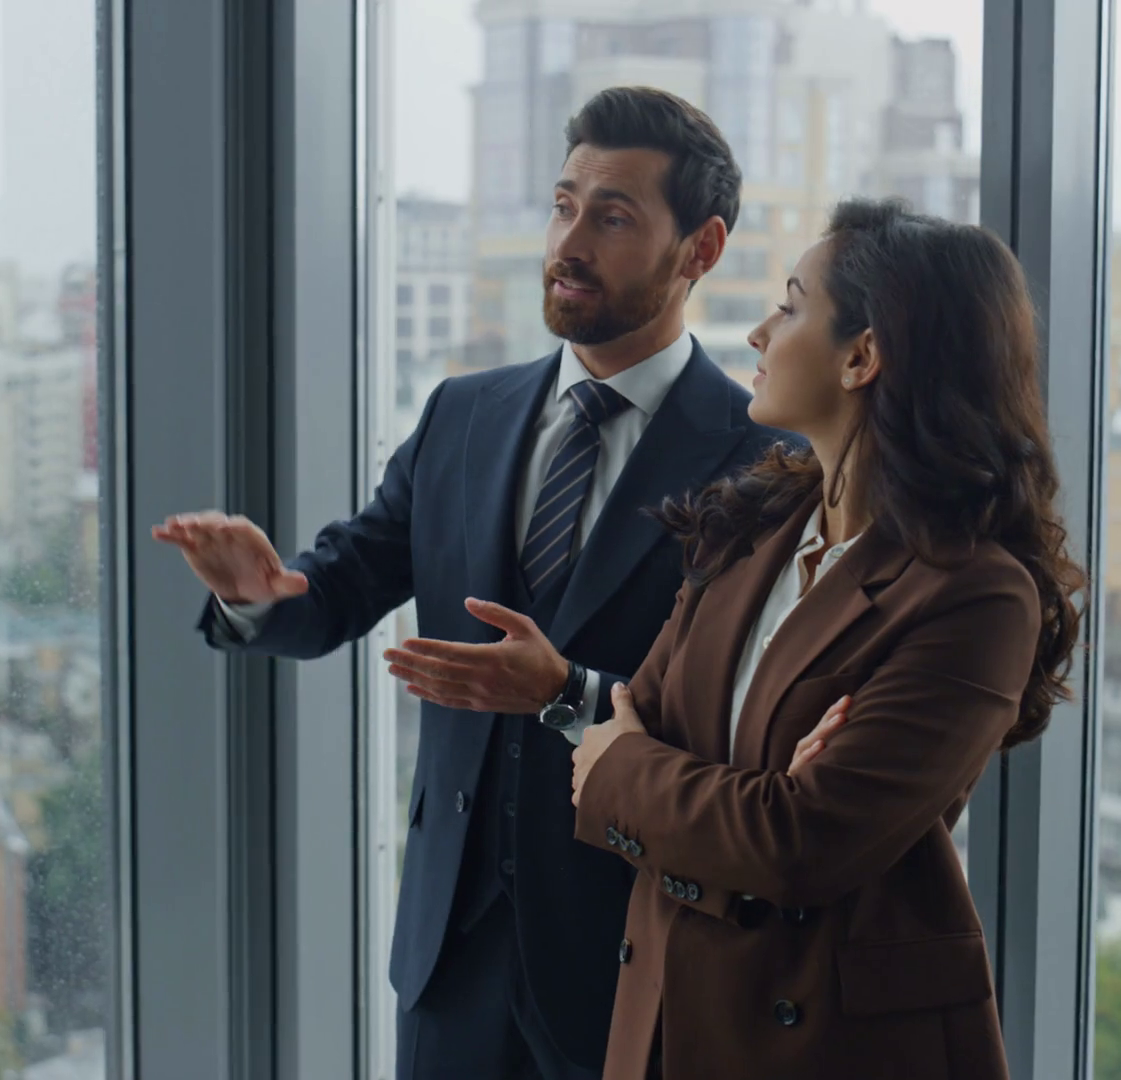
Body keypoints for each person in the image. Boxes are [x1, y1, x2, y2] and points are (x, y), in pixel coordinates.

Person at [153, 87, 793, 1080]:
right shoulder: (464, 414)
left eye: (612, 216)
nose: (569, 241)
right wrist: (263, 591)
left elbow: (752, 725)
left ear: (701, 250)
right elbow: (348, 581)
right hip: (451, 957)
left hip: (639, 955)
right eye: (562, 203)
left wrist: (568, 693)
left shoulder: (764, 460)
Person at [567, 199, 1086, 1080]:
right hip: (664, 1022)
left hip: (829, 1047)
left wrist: (632, 775)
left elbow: (798, 845)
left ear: (863, 355)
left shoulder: (978, 597)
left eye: (791, 304)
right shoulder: (751, 527)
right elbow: (635, 718)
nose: (760, 333)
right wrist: (747, 797)